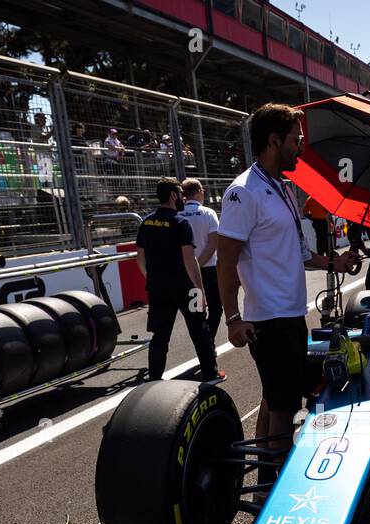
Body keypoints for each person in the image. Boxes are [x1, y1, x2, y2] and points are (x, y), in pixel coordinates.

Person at [216, 103, 358, 472]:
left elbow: (298, 253)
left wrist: (334, 263)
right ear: (274, 141)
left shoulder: (281, 188)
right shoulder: (243, 192)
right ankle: (275, 482)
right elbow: (226, 261)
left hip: (292, 314)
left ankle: (265, 475)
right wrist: (232, 318)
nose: (302, 147)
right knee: (285, 405)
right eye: (297, 140)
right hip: (268, 319)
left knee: (273, 399)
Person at [136, 177, 222, 382]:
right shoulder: (180, 222)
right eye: (180, 194)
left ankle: (154, 378)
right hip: (185, 287)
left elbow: (140, 258)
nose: (183, 198)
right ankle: (211, 374)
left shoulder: (146, 221)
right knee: (199, 329)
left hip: (157, 288)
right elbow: (190, 261)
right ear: (173, 195)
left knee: (160, 335)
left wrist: (153, 277)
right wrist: (199, 291)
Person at [179, 178, 223, 337]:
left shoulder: (178, 215)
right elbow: (214, 242)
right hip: (209, 270)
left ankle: (204, 344)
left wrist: (192, 266)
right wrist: (200, 263)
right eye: (203, 191)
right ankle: (208, 341)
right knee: (216, 308)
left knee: (197, 311)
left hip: (188, 272)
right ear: (198, 192)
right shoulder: (208, 213)